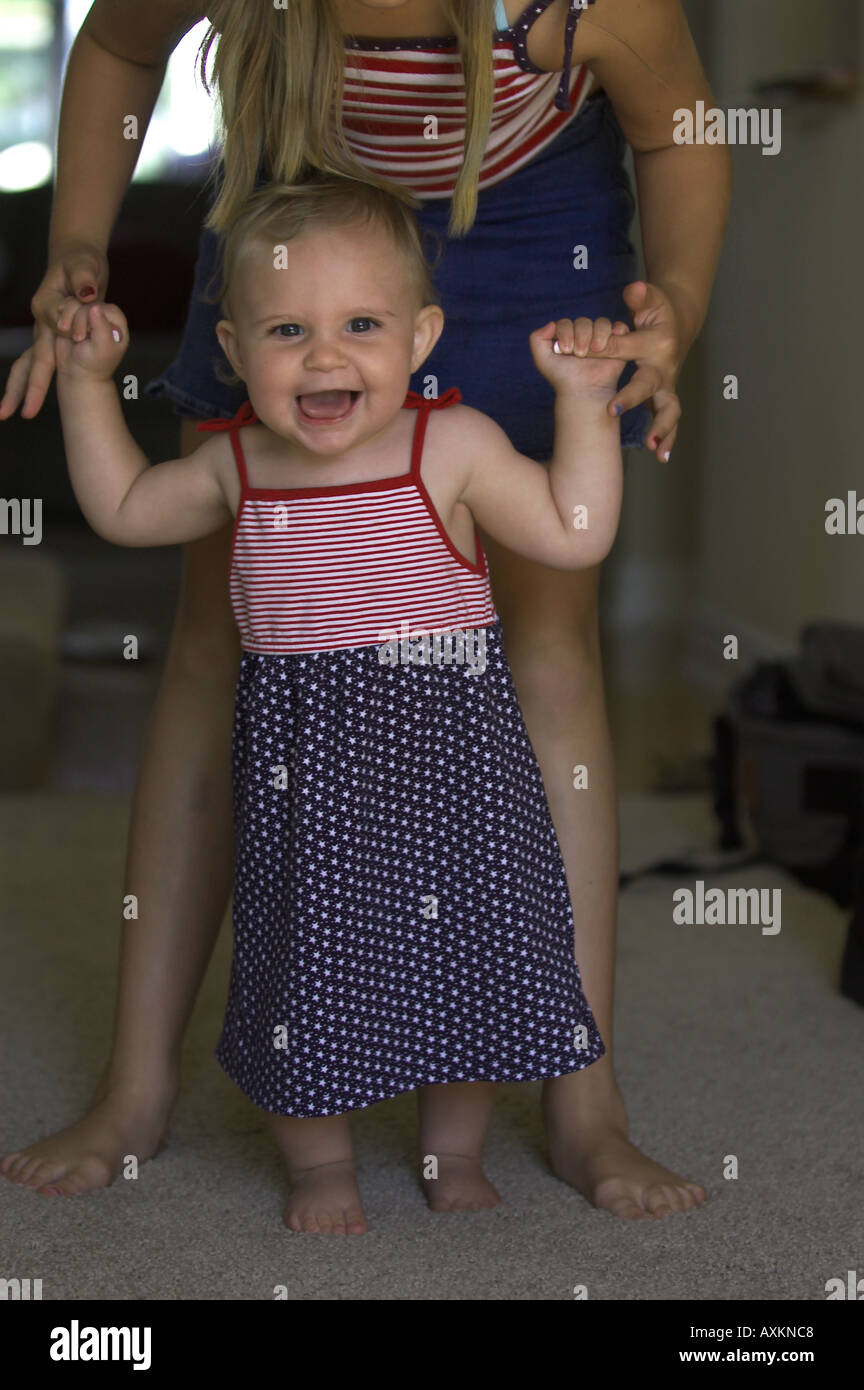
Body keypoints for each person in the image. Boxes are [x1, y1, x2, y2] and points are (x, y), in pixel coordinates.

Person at [1, 0, 730, 1221]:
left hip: (531, 218)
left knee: (546, 652)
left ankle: (583, 1098)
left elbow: (685, 126)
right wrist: (75, 238)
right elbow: (123, 45)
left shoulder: (581, 9)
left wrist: (684, 308)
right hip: (294, 212)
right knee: (218, 640)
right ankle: (135, 1087)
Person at [53, 174, 637, 1231]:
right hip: (311, 797)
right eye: (288, 329)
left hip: (457, 791)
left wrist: (584, 407)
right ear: (232, 349)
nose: (325, 356)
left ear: (421, 336)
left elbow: (575, 531)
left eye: (361, 325)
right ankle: (319, 1166)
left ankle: (450, 1148)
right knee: (303, 977)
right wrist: (92, 385)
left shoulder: (449, 448)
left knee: (475, 964)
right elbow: (127, 508)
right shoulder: (237, 465)